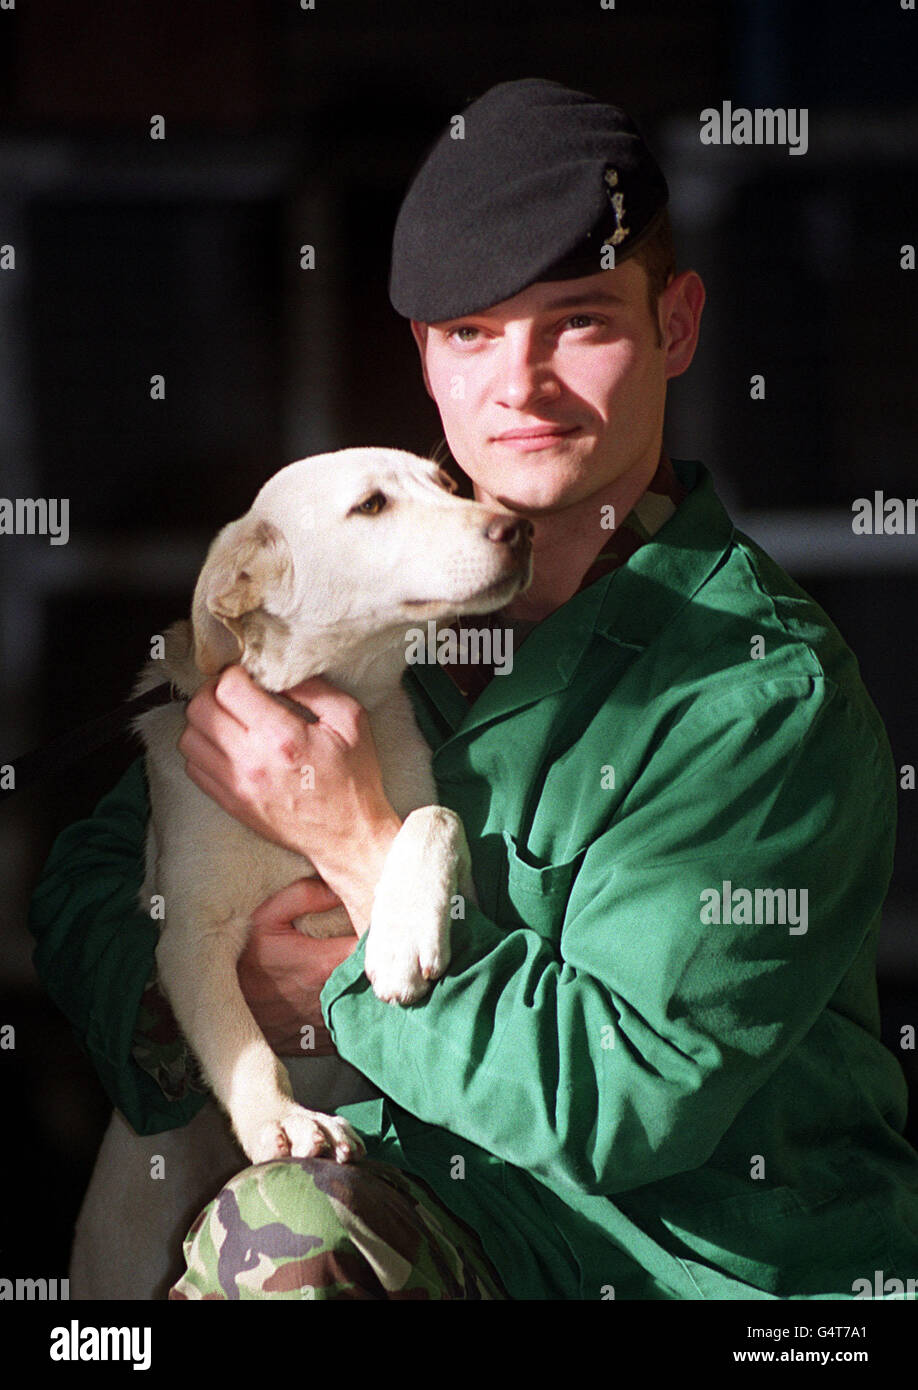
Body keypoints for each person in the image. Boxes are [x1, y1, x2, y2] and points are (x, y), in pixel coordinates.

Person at [30, 78, 918, 1301]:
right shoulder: (348, 599)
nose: (523, 385)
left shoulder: (755, 691)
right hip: (440, 1216)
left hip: (687, 1273)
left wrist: (350, 852)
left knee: (283, 1242)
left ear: (676, 324)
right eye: (472, 333)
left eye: (580, 321)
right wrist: (240, 988)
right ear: (426, 360)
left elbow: (613, 1103)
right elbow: (90, 890)